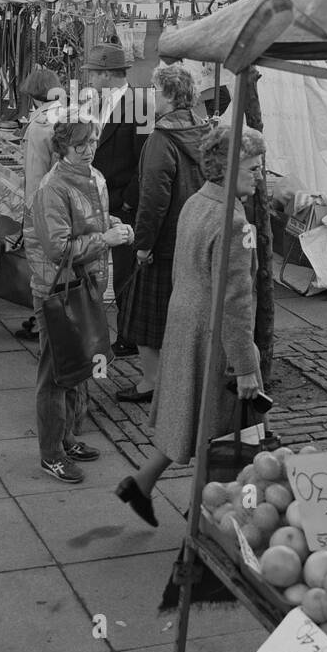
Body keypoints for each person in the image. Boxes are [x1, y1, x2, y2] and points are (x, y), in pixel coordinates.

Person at [116, 125, 266, 526]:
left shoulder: (197, 202)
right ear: (230, 169)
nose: (260, 175)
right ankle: (207, 517)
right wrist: (246, 366)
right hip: (213, 335)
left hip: (185, 323)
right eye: (254, 168)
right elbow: (235, 301)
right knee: (229, 427)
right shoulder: (235, 224)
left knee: (195, 417)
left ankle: (143, 484)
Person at [30, 118, 135, 484]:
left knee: (77, 367)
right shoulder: (53, 187)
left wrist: (115, 224)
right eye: (80, 146)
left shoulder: (94, 177)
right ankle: (51, 453)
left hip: (84, 283)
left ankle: (67, 438)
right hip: (57, 289)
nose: (89, 150)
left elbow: (91, 223)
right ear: (62, 150)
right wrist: (107, 239)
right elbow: (58, 248)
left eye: (91, 142)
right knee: (55, 374)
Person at [117, 64, 210, 407]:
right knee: (185, 315)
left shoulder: (161, 140)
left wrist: (143, 246)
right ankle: (183, 379)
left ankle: (151, 382)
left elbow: (152, 199)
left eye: (156, 91)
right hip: (197, 236)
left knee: (144, 317)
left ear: (170, 96)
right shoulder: (205, 130)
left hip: (165, 242)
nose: (152, 97)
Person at [82, 42, 148, 357]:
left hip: (124, 205)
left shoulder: (140, 104)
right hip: (105, 200)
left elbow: (144, 164)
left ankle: (129, 336)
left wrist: (124, 203)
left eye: (93, 73)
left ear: (108, 73)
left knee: (125, 273)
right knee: (112, 270)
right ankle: (126, 334)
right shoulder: (102, 103)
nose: (89, 79)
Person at [12, 65, 62, 341]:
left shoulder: (39, 126)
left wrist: (28, 217)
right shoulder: (68, 115)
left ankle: (45, 329)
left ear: (34, 95)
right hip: (65, 205)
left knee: (43, 276)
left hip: (43, 206)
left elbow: (35, 174)